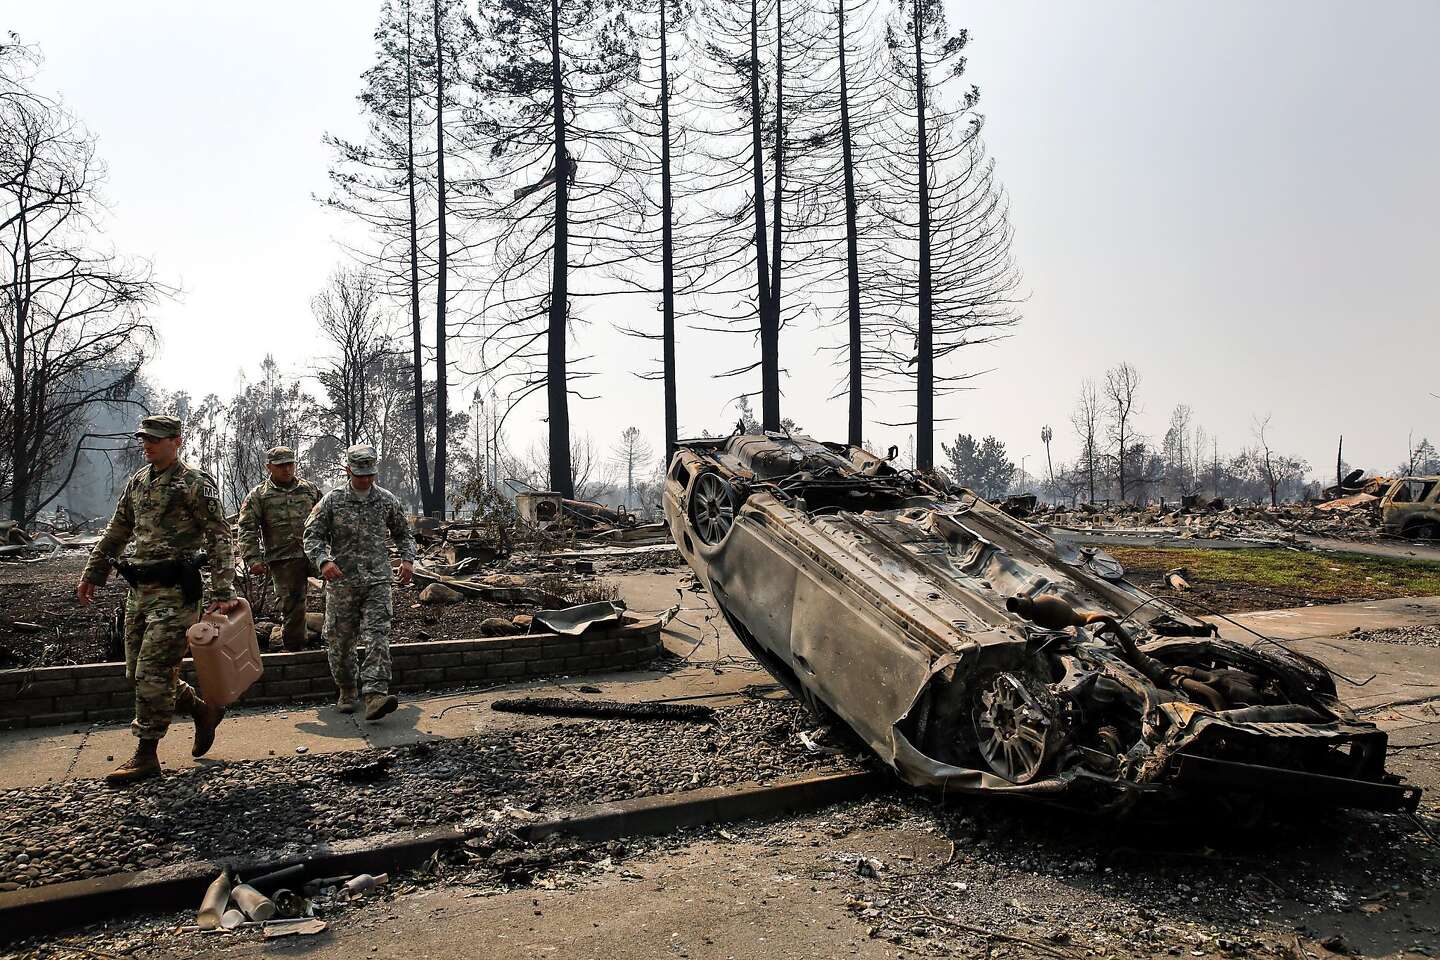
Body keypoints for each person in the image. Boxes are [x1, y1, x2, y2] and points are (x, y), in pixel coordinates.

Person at [75, 415, 242, 785]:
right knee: (138, 673)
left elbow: (219, 536)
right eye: (144, 439)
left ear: (177, 442)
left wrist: (223, 591)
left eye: (156, 438)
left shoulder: (194, 483)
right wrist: (93, 572)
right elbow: (117, 530)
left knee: (153, 672)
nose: (148, 444)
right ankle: (200, 711)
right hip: (139, 593)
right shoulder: (138, 482)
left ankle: (146, 755)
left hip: (176, 594)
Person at [302, 444, 415, 720]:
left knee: (377, 635)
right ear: (348, 470)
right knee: (340, 640)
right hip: (343, 583)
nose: (365, 479)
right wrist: (323, 561)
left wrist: (407, 559)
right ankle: (347, 689)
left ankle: (375, 694)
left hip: (377, 580)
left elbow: (404, 533)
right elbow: (311, 535)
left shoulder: (387, 500)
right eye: (359, 474)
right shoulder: (332, 501)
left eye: (370, 474)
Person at [237, 447, 322, 651]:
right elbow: (247, 528)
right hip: (283, 558)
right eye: (281, 465)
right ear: (269, 467)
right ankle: (294, 651)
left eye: (290, 464)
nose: (286, 469)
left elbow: (327, 518)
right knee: (291, 605)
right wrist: (253, 558)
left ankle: (336, 641)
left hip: (316, 553)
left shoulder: (309, 489)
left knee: (338, 593)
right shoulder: (259, 495)